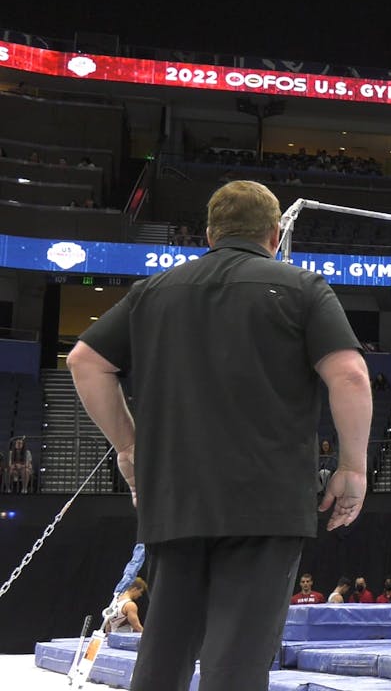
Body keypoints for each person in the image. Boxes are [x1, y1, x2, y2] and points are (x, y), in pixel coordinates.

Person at [67, 180, 371, 691]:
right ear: (275, 234)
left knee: (164, 649)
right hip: (267, 501)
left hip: (175, 496)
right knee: (237, 659)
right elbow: (351, 375)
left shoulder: (153, 292)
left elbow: (85, 361)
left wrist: (129, 446)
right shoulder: (303, 288)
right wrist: (353, 467)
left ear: (209, 234)